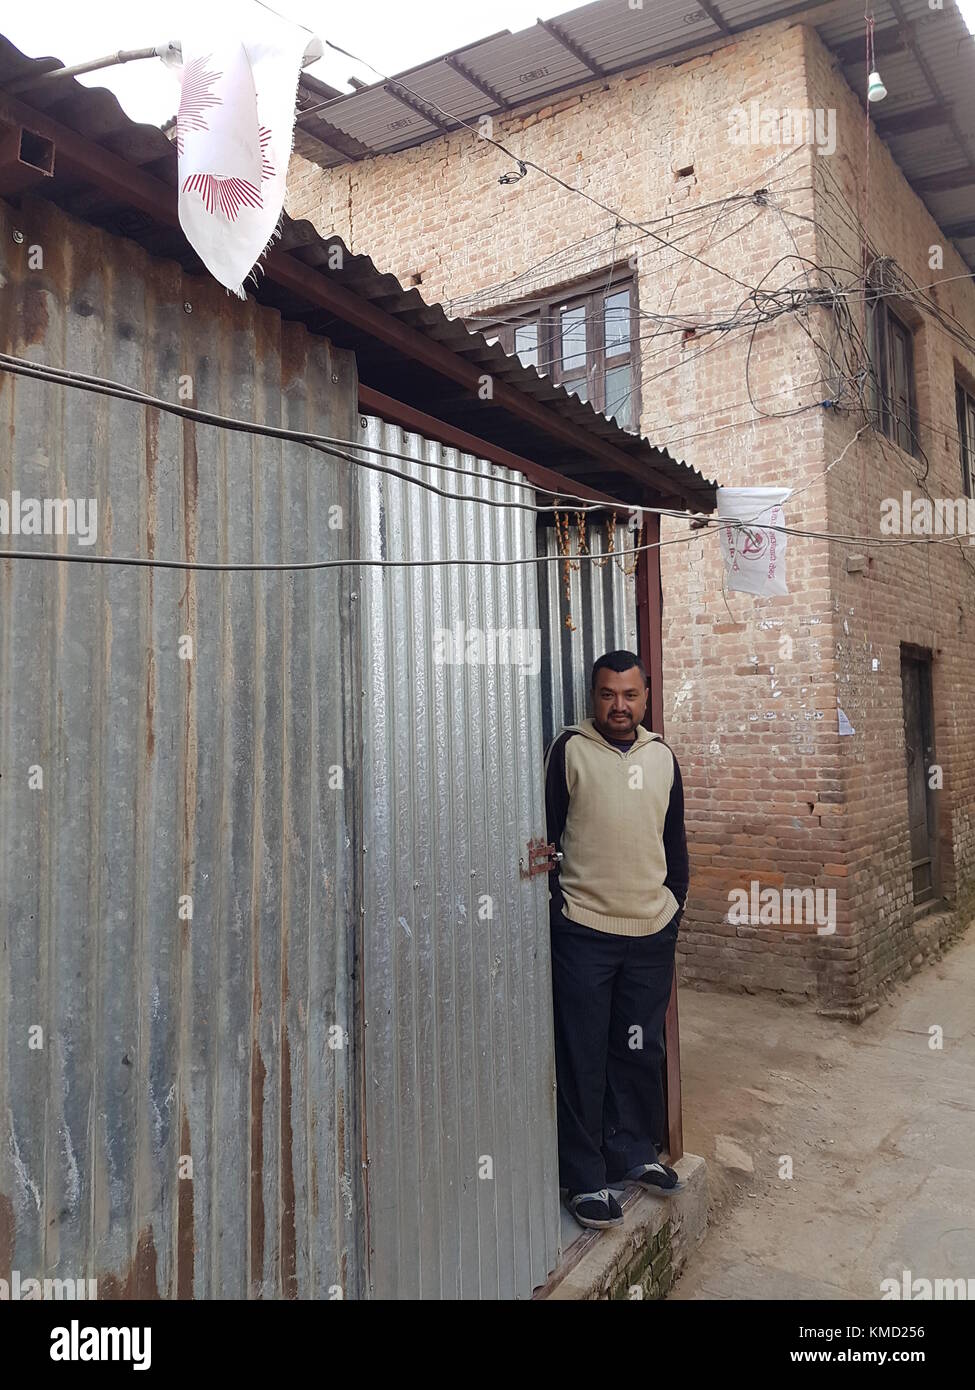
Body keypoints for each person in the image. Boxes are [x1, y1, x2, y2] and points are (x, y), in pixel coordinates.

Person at [544, 649, 689, 1230]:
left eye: (630, 695)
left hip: (649, 935)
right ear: (594, 697)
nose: (619, 706)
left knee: (637, 1049)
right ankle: (584, 1178)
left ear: (646, 697)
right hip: (585, 935)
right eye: (608, 695)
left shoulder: (662, 757)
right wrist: (562, 914)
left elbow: (674, 846)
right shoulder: (570, 751)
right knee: (582, 1054)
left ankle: (631, 1152)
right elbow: (548, 839)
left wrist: (671, 910)